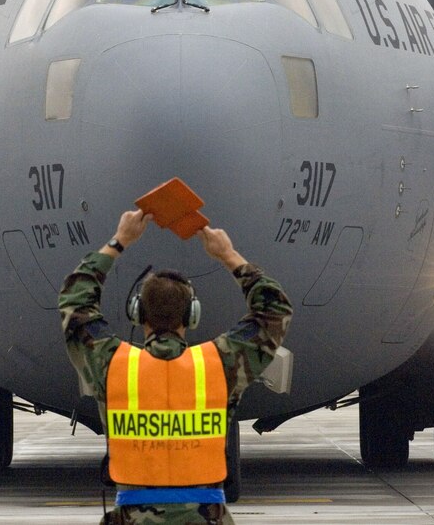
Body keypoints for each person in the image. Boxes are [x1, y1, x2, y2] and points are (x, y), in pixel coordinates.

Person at [59, 209, 293, 525]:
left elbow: (75, 301)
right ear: (191, 316)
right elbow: (274, 309)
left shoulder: (114, 365)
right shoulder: (218, 365)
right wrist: (228, 254)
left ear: (138, 314)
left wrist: (120, 240)